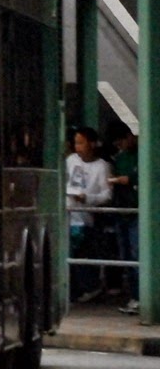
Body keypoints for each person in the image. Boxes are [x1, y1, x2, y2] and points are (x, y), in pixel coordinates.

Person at [66, 125, 113, 303]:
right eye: (75, 143)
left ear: (92, 144)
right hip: (68, 213)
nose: (77, 147)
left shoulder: (102, 167)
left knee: (82, 253)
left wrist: (88, 198)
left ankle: (89, 287)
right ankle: (72, 290)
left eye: (81, 143)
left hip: (85, 217)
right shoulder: (71, 160)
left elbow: (106, 195)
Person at [107, 122, 140, 315]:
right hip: (122, 211)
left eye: (122, 141)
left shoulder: (142, 155)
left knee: (137, 254)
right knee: (126, 255)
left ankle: (143, 296)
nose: (120, 145)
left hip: (137, 211)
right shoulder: (119, 158)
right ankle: (135, 296)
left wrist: (126, 180)